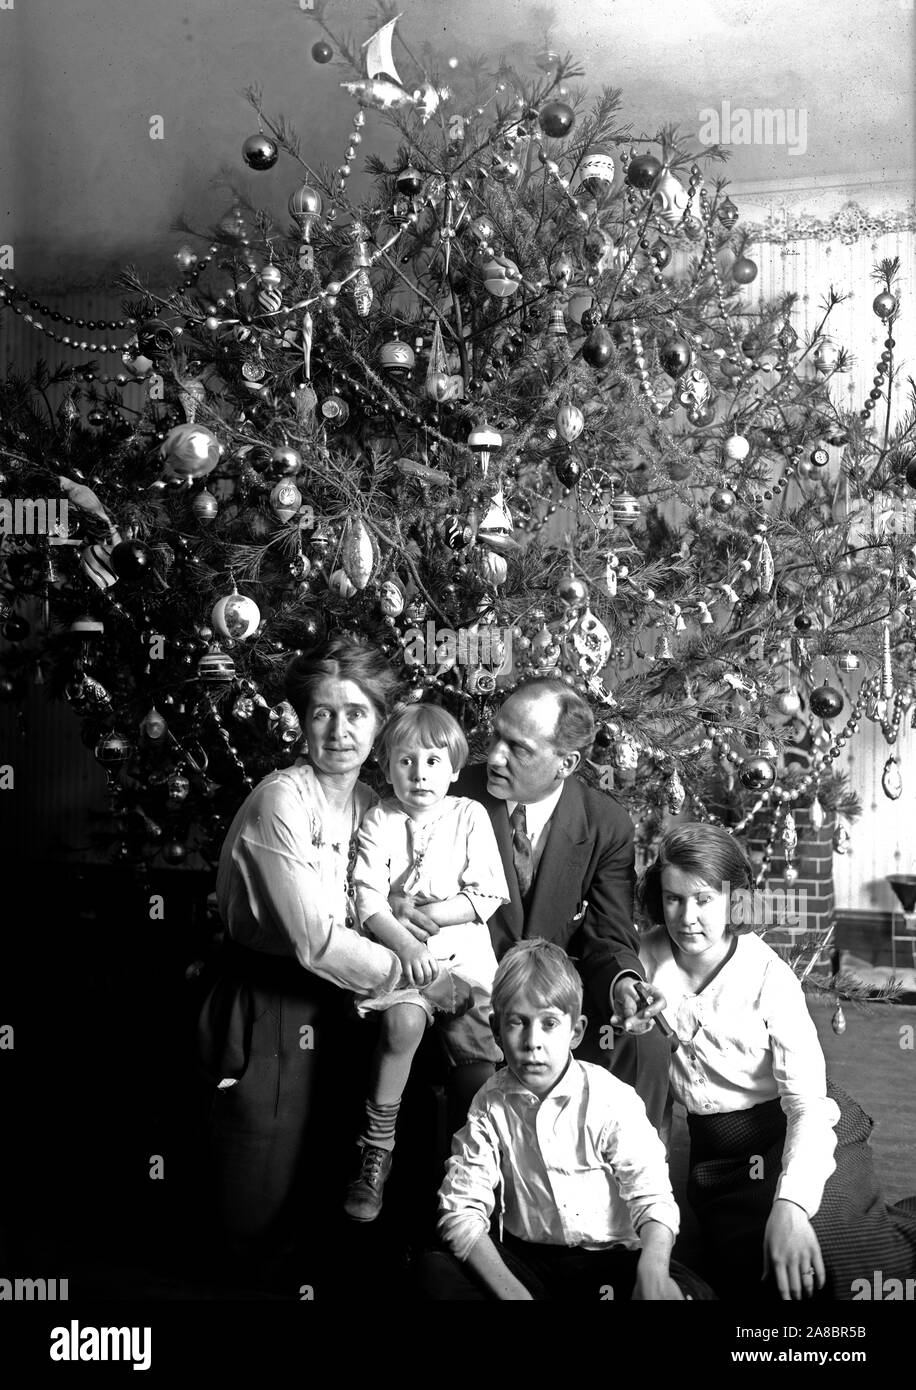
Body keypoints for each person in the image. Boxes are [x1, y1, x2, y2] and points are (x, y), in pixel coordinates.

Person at [636, 821, 916, 1301]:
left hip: (805, 1131)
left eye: (704, 899)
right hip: (722, 1162)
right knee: (772, 1281)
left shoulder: (769, 976)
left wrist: (791, 1205)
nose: (687, 917)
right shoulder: (641, 966)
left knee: (827, 1259)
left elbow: (807, 1107)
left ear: (734, 900)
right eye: (674, 899)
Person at [197, 636, 410, 1261]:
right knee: (253, 1202)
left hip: (340, 1008)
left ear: (379, 725)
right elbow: (315, 941)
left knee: (322, 1185)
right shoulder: (279, 799)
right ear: (302, 722)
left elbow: (385, 905)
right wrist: (410, 973)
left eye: (356, 714)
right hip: (264, 1003)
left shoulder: (374, 805)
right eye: (323, 713)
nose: (340, 730)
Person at [429, 677, 672, 1131]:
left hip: (556, 993)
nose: (495, 755)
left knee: (644, 1043)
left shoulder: (606, 824)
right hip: (463, 987)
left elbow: (609, 936)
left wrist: (623, 984)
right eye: (496, 735)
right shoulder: (450, 792)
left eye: (517, 748)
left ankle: (636, 1190)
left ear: (567, 763)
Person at [421, 940, 713, 1300]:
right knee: (434, 1273)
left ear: (576, 1032)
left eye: (549, 1024)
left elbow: (652, 1196)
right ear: (496, 1031)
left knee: (690, 1294)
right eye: (517, 1023)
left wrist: (652, 1270)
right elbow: (461, 1210)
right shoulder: (490, 1104)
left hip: (612, 1261)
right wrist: (513, 1294)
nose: (532, 1042)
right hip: (531, 1265)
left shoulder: (610, 1098)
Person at [344, 704, 510, 1222]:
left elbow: (484, 896)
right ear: (387, 767)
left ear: (455, 769)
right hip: (405, 961)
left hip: (461, 962)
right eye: (406, 762)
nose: (420, 774)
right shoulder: (380, 818)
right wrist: (409, 945)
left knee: (474, 1057)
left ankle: (476, 1172)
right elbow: (367, 901)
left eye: (434, 762)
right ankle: (377, 1150)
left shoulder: (469, 816)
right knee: (401, 1022)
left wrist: (425, 915)